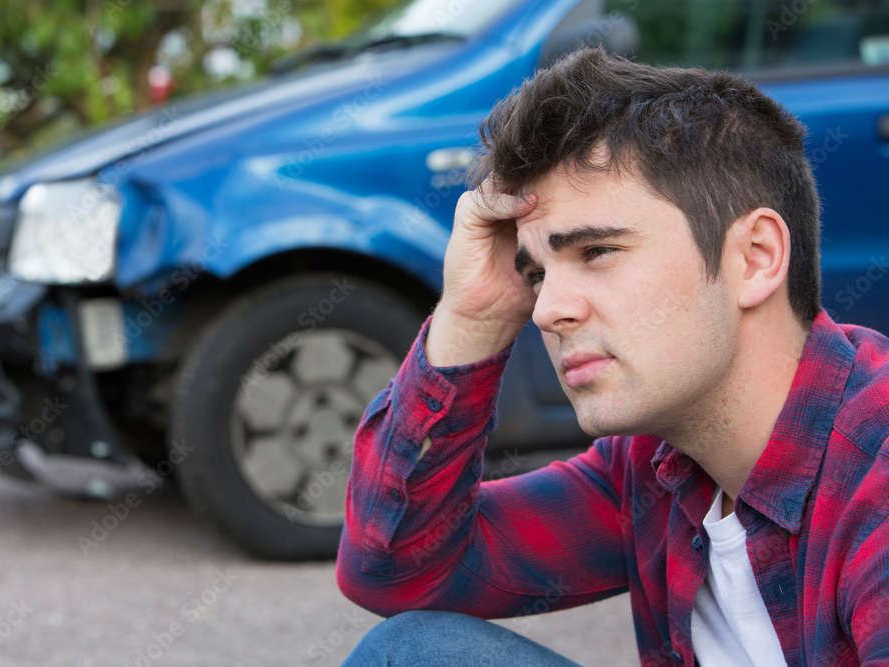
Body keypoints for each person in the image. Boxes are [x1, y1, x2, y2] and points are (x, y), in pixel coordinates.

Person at [335, 47, 889, 666]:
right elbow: (395, 568)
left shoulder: (874, 473)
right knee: (411, 653)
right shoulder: (655, 466)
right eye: (537, 275)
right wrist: (473, 318)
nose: (547, 311)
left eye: (596, 251)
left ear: (755, 258)